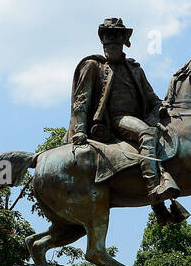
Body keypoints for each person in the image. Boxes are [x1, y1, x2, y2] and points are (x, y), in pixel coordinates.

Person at [68, 18, 179, 203]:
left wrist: (162, 109)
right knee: (147, 133)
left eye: (114, 38)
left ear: (123, 41)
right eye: (106, 38)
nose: (109, 43)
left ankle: (160, 206)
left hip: (139, 116)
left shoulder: (135, 69)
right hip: (114, 119)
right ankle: (154, 187)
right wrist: (79, 129)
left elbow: (151, 97)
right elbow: (82, 100)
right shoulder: (94, 66)